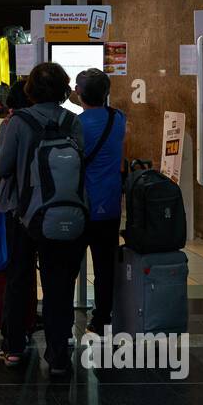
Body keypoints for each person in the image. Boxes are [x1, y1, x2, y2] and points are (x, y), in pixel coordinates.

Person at [0, 63, 86, 376]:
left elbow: (4, 168)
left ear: (30, 90)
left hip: (25, 215)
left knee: (19, 280)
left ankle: (14, 348)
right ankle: (59, 356)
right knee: (59, 285)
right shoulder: (72, 121)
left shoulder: (19, 122)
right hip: (67, 212)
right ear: (63, 89)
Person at [72, 68, 126, 340]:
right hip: (110, 204)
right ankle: (101, 319)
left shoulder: (76, 124)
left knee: (68, 265)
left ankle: (64, 322)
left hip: (80, 204)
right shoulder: (118, 118)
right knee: (105, 265)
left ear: (79, 92)